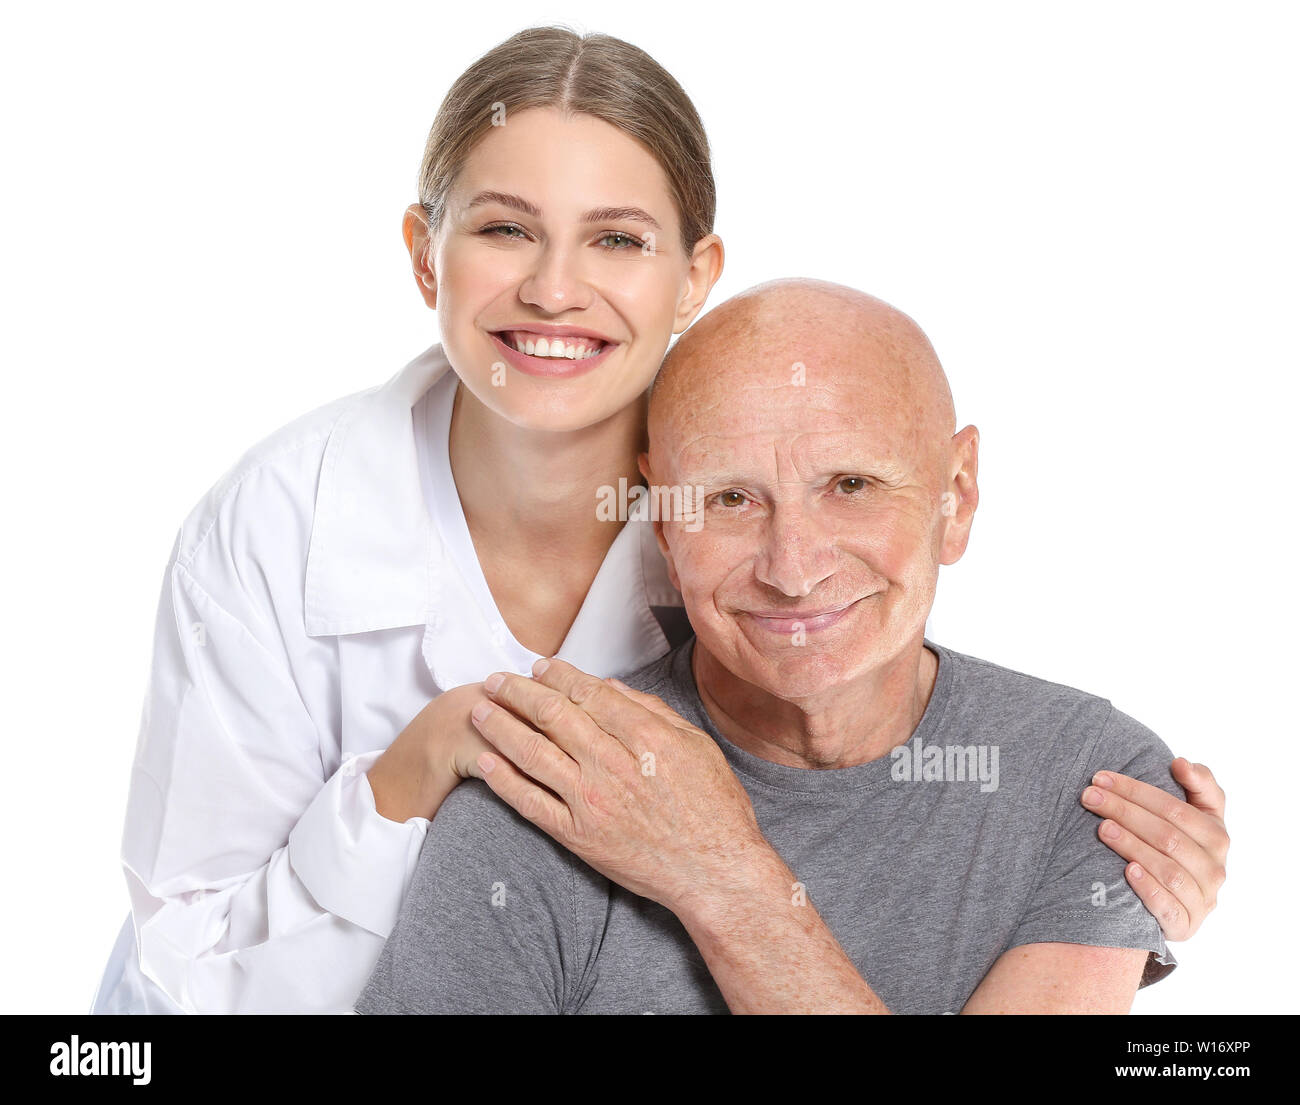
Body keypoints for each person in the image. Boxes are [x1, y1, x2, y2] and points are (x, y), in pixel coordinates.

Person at [92, 29, 1227, 1015]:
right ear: (421, 253)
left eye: (618, 239)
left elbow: (888, 756)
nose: (552, 290)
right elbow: (189, 958)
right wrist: (416, 775)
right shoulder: (275, 526)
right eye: (503, 230)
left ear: (695, 275)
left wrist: (1100, 875)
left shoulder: (764, 486)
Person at [356, 280, 1229, 1014]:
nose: (793, 569)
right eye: (730, 498)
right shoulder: (550, 791)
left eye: (851, 485)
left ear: (956, 496)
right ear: (662, 513)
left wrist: (724, 877)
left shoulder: (1093, 787)